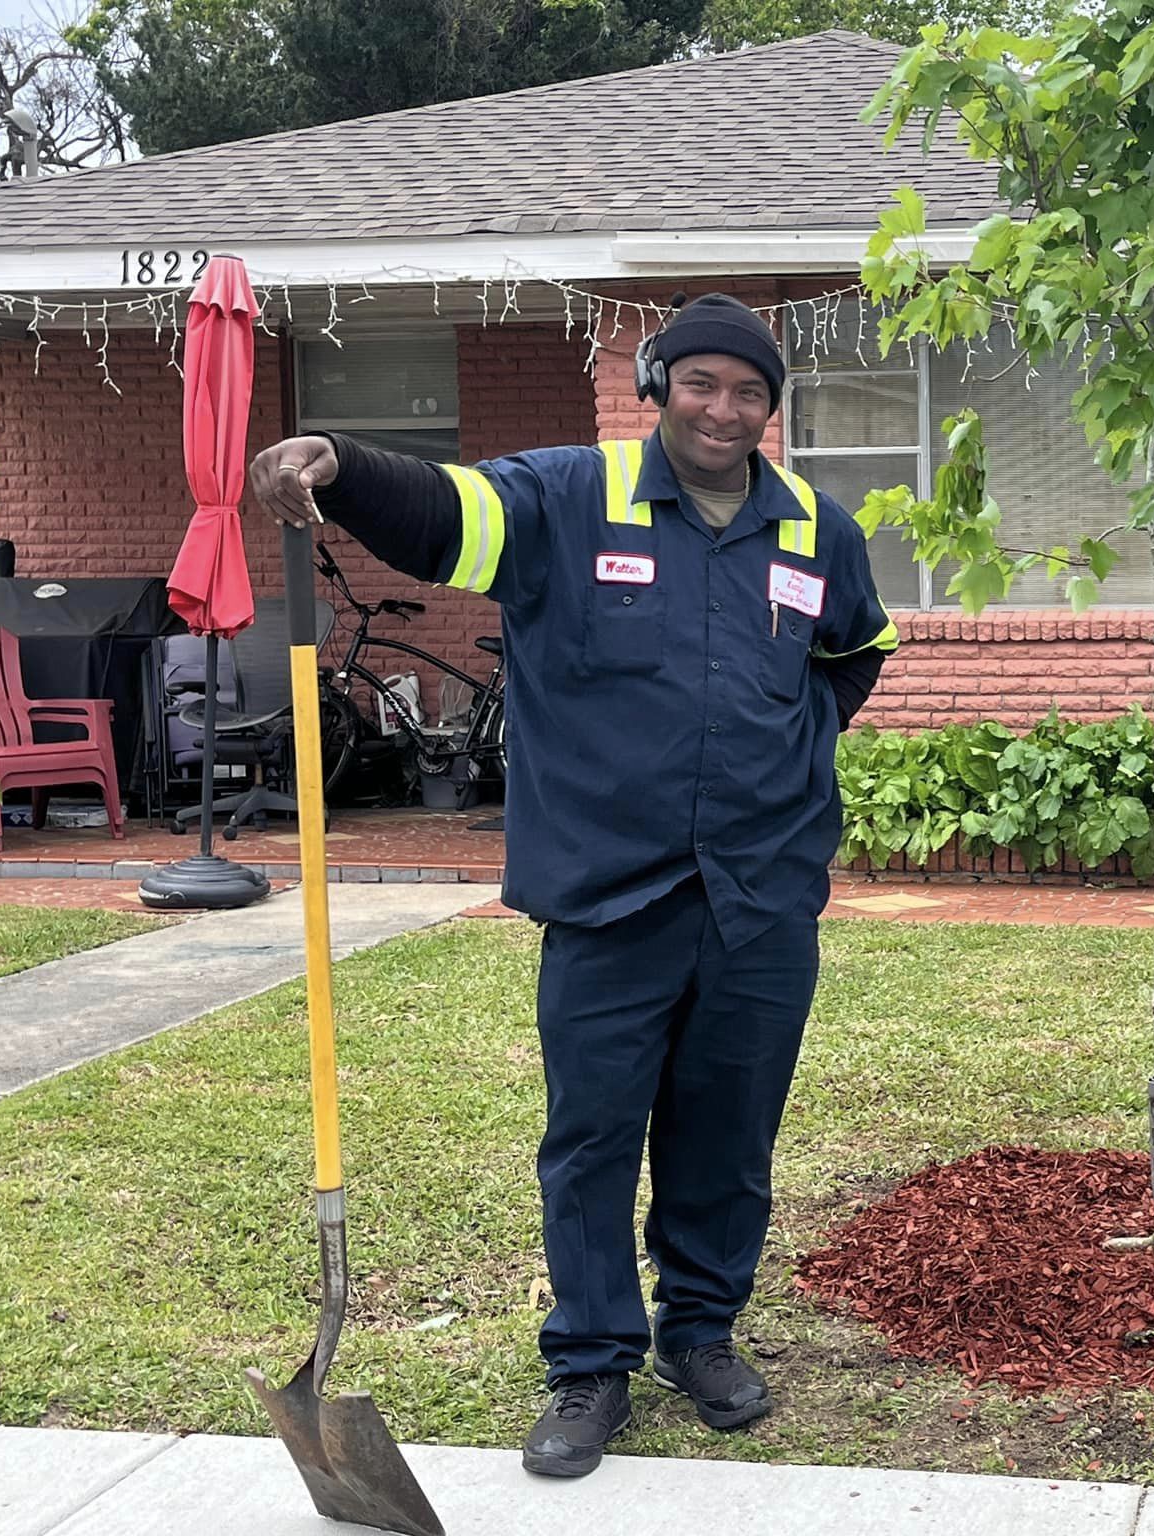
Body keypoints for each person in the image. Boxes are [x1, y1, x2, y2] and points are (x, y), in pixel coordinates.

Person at [249, 293, 898, 1476]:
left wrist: (788, 753)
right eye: (700, 382)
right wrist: (339, 466)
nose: (723, 407)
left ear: (770, 410)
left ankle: (697, 1334)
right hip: (609, 896)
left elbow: (853, 655)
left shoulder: (814, 527)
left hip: (759, 900)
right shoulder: (565, 497)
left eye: (749, 391)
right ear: (657, 386)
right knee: (592, 1140)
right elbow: (448, 514)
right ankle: (591, 1360)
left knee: (729, 1134)